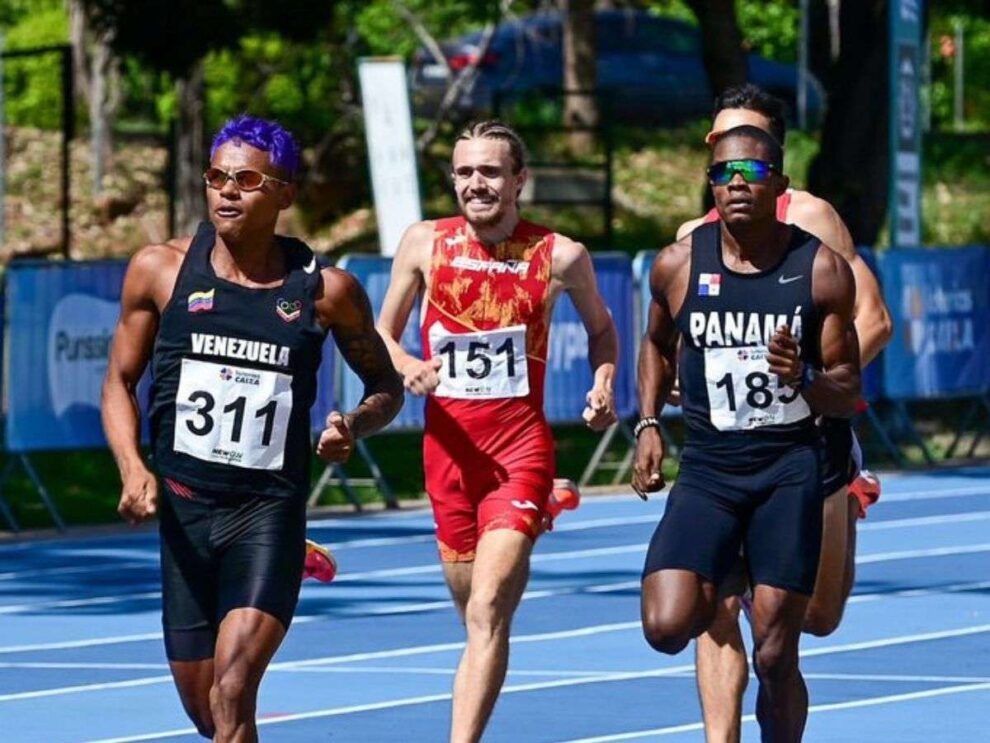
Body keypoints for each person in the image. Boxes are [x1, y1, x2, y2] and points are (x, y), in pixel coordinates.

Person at [101, 115, 403, 742]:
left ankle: (291, 563)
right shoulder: (160, 271)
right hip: (184, 515)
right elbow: (117, 383)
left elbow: (386, 386)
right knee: (208, 713)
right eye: (217, 177)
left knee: (233, 691)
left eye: (246, 180)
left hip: (266, 515)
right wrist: (133, 468)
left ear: (284, 194)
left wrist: (353, 425)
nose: (227, 192)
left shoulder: (326, 292)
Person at [376, 120, 618, 743]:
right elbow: (381, 334)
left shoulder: (560, 255)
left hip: (518, 453)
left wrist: (603, 383)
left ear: (519, 180)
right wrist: (405, 364)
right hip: (448, 458)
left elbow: (601, 330)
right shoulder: (423, 243)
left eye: (489, 171)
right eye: (464, 172)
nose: (475, 183)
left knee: (487, 607)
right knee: (476, 616)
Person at [676, 84, 892, 743]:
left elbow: (873, 321)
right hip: (723, 454)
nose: (732, 164)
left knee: (812, 618)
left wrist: (808, 384)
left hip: (807, 446)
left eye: (746, 149)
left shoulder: (814, 219)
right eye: (719, 147)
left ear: (773, 153)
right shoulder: (693, 239)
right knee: (715, 607)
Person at [633, 124, 861, 742]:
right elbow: (654, 343)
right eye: (722, 173)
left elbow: (848, 389)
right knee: (665, 626)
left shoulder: (820, 269)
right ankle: (729, 570)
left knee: (774, 654)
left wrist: (804, 376)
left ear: (779, 184)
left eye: (752, 173)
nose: (736, 183)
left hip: (787, 471)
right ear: (710, 185)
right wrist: (649, 422)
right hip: (709, 470)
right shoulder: (679, 264)